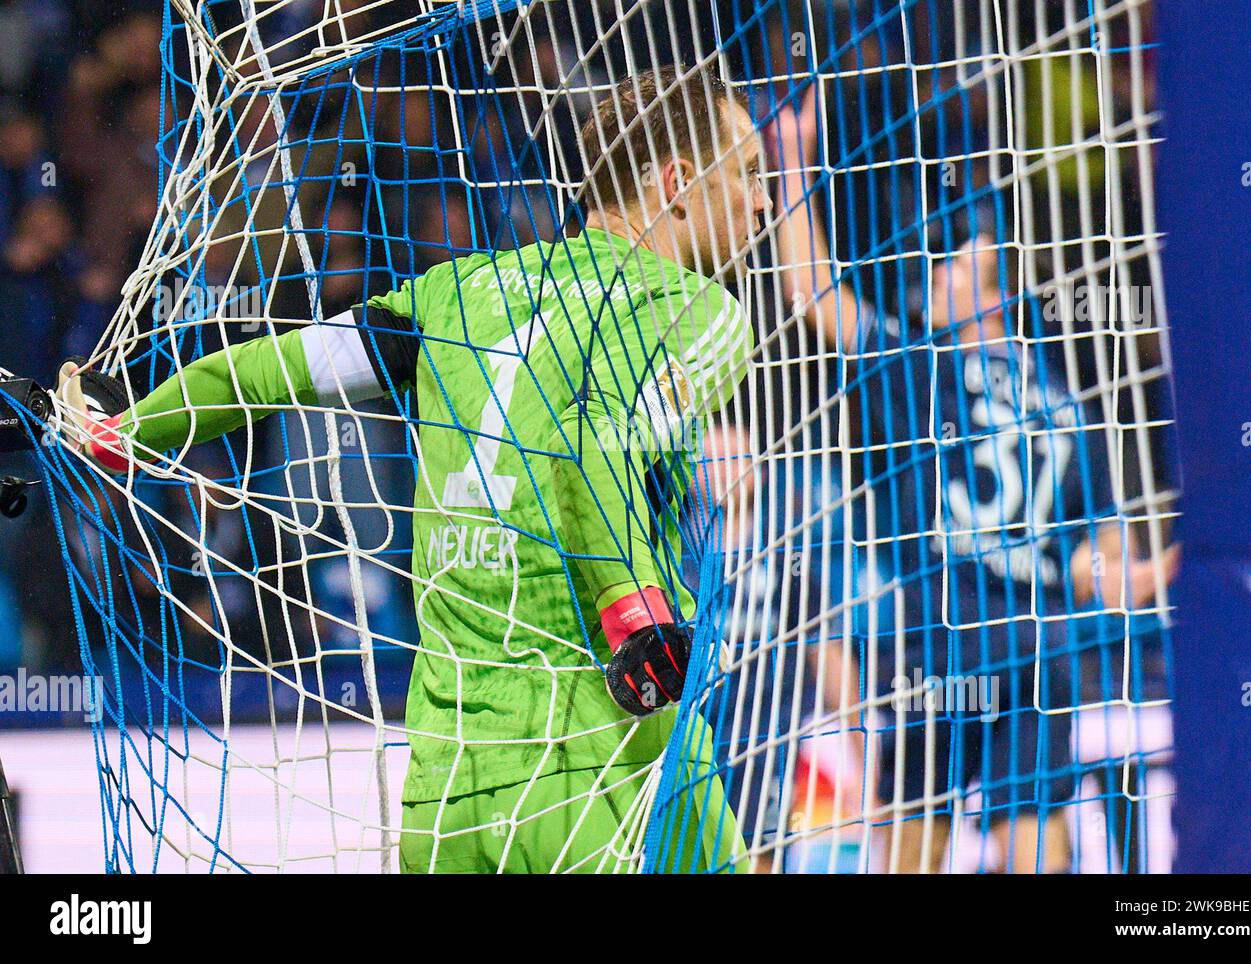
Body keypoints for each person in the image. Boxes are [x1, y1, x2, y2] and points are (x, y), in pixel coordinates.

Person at [52, 64, 770, 874]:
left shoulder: (456, 292)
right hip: (603, 744)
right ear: (676, 181)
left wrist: (126, 432)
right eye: (747, 171)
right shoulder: (695, 309)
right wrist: (636, 619)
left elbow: (268, 370)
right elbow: (593, 438)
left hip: (449, 775)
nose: (763, 200)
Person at [767, 87, 1179, 872]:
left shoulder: (1009, 384)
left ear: (981, 274)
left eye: (953, 257)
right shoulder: (984, 383)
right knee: (970, 842)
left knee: (984, 843)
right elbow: (811, 292)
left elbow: (1091, 549)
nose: (939, 271)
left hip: (995, 650)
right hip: (985, 646)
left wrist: (1141, 571)